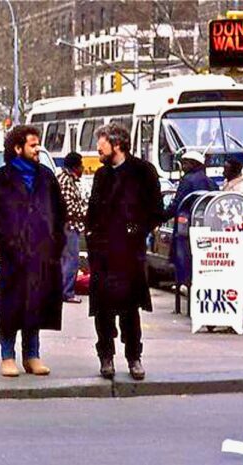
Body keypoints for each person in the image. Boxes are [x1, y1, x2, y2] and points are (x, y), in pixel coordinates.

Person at [0, 126, 66, 377]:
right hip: (12, 255)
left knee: (36, 304)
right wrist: (3, 247)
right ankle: (7, 356)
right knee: (10, 305)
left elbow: (59, 214)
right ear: (18, 148)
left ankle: (32, 355)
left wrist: (55, 244)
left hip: (42, 253)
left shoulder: (46, 177)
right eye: (32, 145)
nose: (37, 149)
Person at [86, 123, 164, 381]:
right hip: (104, 253)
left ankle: (134, 357)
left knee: (130, 309)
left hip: (129, 252)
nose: (98, 147)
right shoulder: (102, 175)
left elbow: (156, 210)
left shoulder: (143, 172)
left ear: (117, 144)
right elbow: (93, 212)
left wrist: (137, 230)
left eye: (102, 142)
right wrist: (91, 239)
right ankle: (105, 356)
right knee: (103, 310)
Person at [163, 150, 218, 287]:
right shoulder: (211, 182)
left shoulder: (187, 181)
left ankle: (185, 284)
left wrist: (162, 216)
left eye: (185, 163)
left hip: (185, 228)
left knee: (184, 260)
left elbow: (177, 204)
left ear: (194, 164)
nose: (183, 166)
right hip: (206, 228)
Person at [57, 151, 88, 304]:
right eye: (81, 165)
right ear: (75, 167)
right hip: (68, 226)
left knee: (66, 260)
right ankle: (67, 292)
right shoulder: (66, 181)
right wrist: (86, 212)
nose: (83, 168)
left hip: (67, 226)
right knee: (72, 259)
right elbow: (69, 208)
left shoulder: (67, 179)